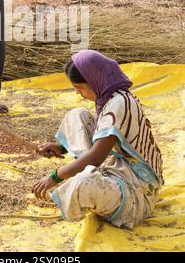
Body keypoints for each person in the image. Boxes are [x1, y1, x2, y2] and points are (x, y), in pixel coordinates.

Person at [33, 50, 163, 229]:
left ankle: (94, 181)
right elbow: (102, 137)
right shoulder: (110, 96)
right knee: (77, 116)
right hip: (117, 165)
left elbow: (96, 157)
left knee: (83, 184)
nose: (78, 93)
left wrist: (55, 176)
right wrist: (61, 147)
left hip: (138, 189)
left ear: (94, 80)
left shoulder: (119, 104)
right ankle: (90, 173)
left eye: (80, 87)